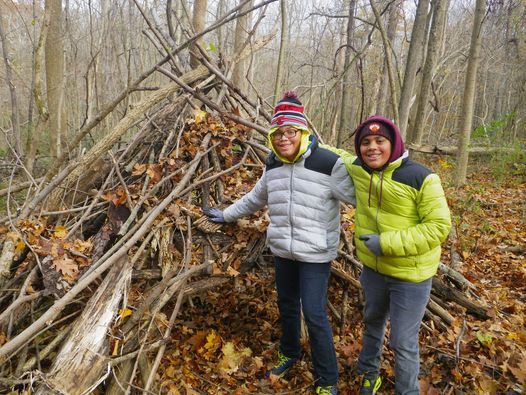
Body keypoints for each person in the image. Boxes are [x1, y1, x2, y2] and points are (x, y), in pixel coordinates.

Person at [204, 91, 356, 395]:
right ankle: (290, 352)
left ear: (303, 133)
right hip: (283, 250)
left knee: (313, 313)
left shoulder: (328, 163)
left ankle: (327, 381)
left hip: (315, 253)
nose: (285, 138)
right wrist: (225, 214)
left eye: (291, 132)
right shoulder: (273, 163)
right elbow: (256, 198)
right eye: (278, 133)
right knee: (287, 304)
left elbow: (359, 198)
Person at [327, 116, 451, 394]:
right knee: (372, 323)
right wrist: (304, 138)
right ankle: (370, 374)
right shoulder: (359, 168)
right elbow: (336, 154)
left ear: (393, 144)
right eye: (366, 142)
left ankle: (407, 391)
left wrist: (386, 243)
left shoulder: (422, 177)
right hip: (374, 271)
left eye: (380, 141)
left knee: (402, 341)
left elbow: (438, 227)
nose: (372, 147)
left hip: (411, 276)